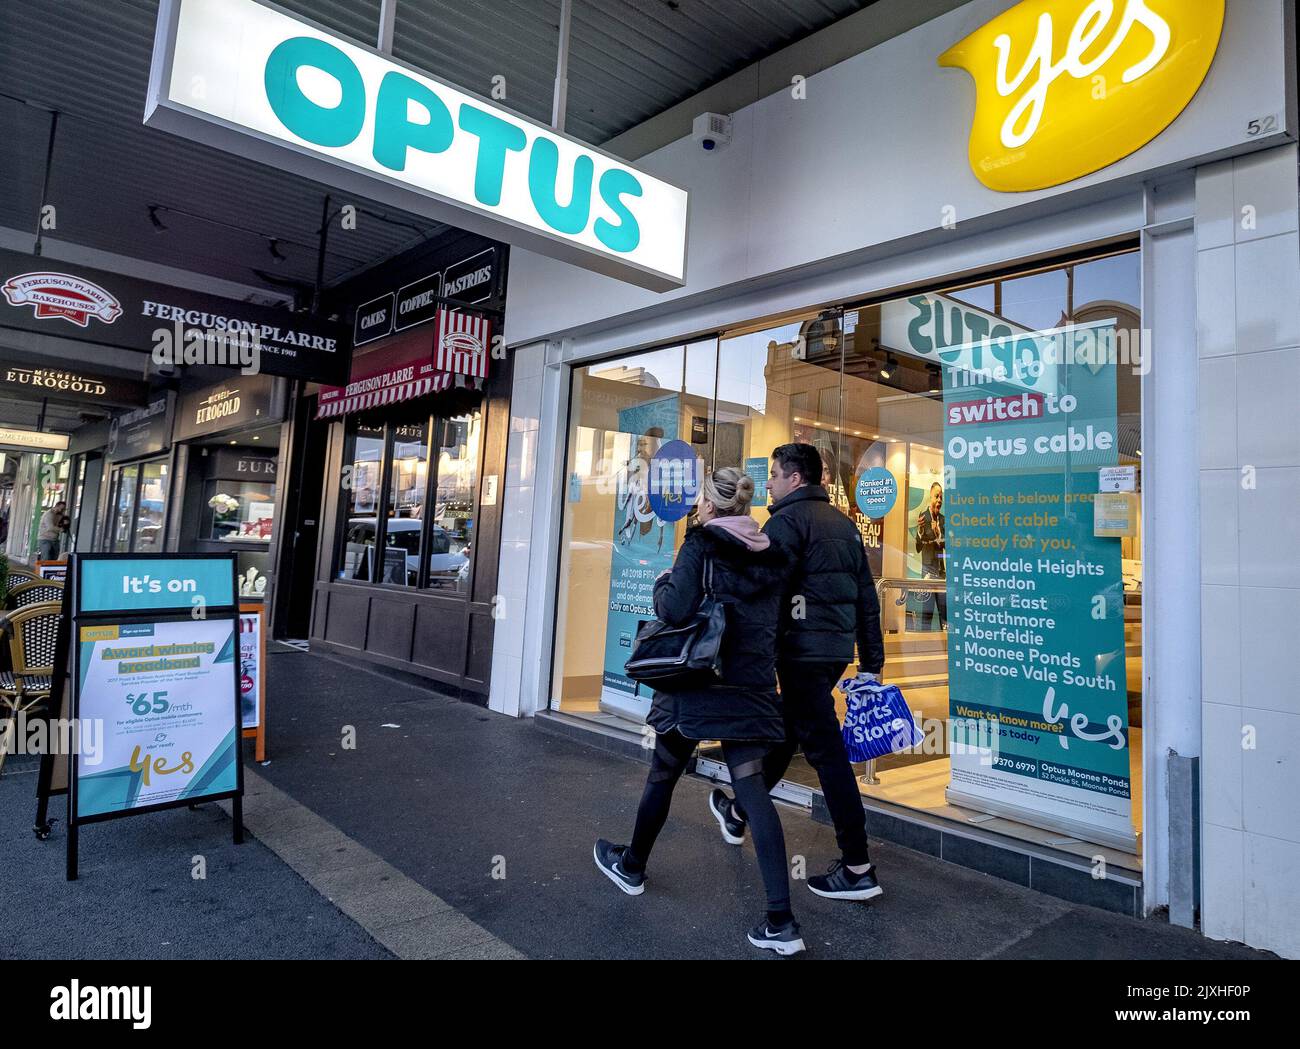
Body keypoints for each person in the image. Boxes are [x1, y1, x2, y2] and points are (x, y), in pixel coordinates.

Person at [594, 467, 805, 955]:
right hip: (749, 686)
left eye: (700, 501)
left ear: (710, 505)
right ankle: (781, 921)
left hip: (696, 685)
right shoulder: (774, 556)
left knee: (664, 774)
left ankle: (631, 866)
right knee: (752, 793)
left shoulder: (700, 545)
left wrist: (665, 580)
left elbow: (673, 610)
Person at [709, 443, 886, 902]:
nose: (766, 482)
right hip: (831, 652)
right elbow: (868, 598)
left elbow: (766, 589)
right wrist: (871, 662)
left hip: (800, 653)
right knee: (791, 729)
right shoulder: (845, 527)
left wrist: (752, 655)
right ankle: (737, 811)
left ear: (794, 478)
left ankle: (857, 866)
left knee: (825, 751)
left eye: (772, 474)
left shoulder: (786, 523)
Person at [915, 482, 947, 631]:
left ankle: (947, 644)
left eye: (941, 497)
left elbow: (946, 545)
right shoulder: (923, 517)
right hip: (927, 572)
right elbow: (918, 547)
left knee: (944, 612)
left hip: (941, 574)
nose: (939, 500)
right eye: (937, 496)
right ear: (930, 496)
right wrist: (920, 532)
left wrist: (938, 534)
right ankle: (923, 641)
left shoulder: (943, 520)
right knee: (927, 612)